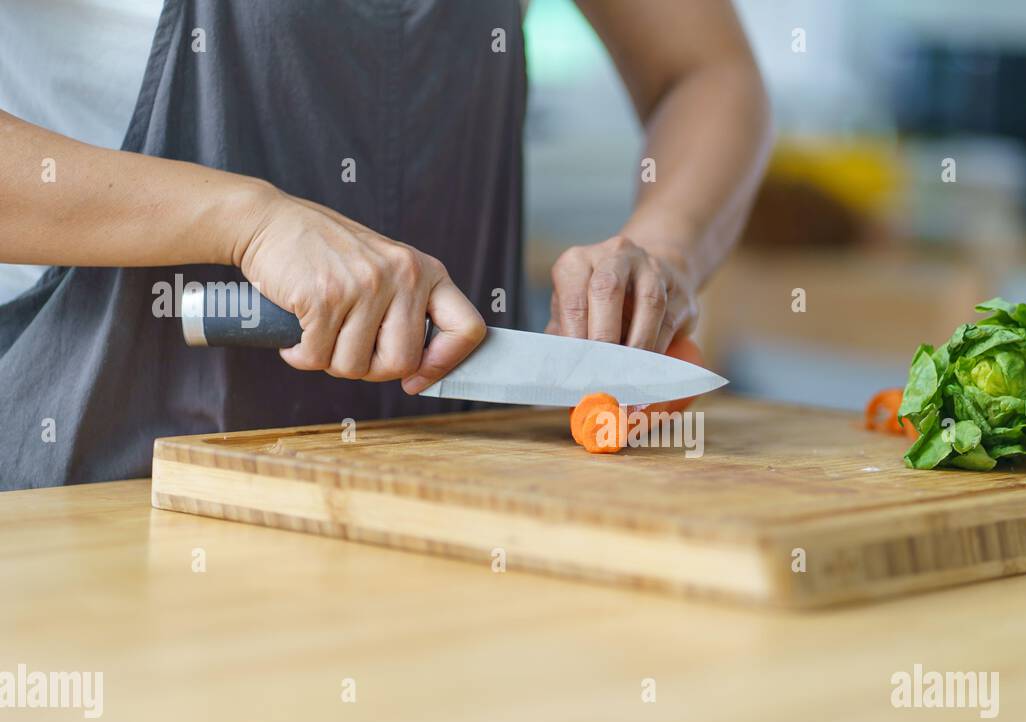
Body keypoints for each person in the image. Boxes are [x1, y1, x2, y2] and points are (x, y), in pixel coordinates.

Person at [0, 0, 771, 489]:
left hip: (454, 492)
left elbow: (707, 72)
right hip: (104, 493)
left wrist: (666, 245)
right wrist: (247, 218)